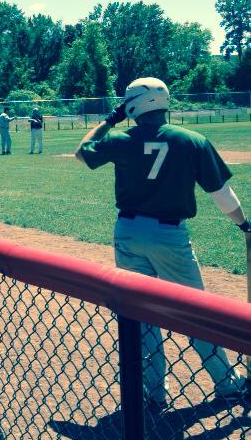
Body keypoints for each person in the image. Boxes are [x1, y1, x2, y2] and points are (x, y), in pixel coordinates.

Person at [75, 77, 249, 407]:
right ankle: (227, 385)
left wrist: (110, 120)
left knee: (140, 312)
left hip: (127, 232)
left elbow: (82, 155)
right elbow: (220, 194)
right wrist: (244, 224)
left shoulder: (122, 137)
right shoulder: (192, 140)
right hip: (170, 235)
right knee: (196, 311)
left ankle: (154, 394)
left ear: (131, 105)